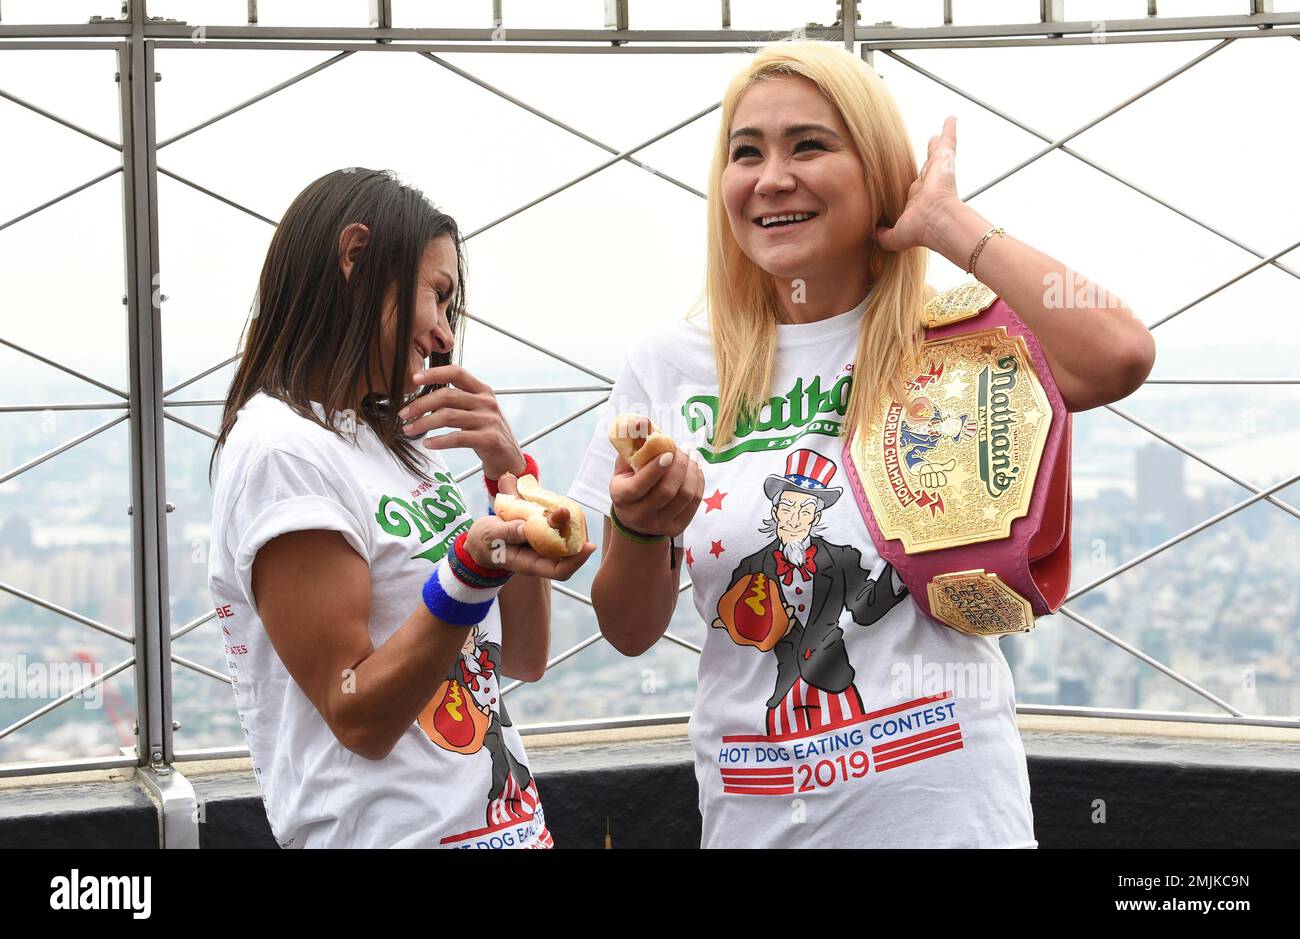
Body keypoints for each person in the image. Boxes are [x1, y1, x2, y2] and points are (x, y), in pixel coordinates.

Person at [567, 42, 1154, 848]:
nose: (772, 177)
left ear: (876, 169)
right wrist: (640, 527)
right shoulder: (668, 365)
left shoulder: (953, 340)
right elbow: (629, 629)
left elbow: (1119, 352)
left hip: (945, 819)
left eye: (809, 145)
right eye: (747, 153)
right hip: (754, 822)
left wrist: (949, 224)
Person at [207, 168, 594, 848]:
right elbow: (358, 715)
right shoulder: (281, 450)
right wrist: (471, 570)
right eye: (438, 297)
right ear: (355, 258)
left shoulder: (395, 444)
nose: (444, 335)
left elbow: (524, 656)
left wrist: (509, 475)